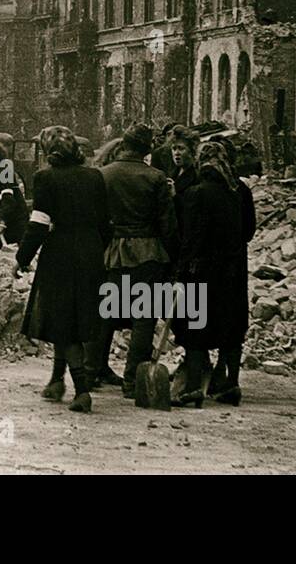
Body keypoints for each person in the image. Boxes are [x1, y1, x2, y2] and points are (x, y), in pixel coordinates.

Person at [14, 126, 111, 412]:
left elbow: (39, 224)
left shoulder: (45, 178)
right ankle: (57, 380)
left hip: (60, 256)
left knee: (62, 321)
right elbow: (106, 223)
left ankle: (82, 390)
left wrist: (21, 258)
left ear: (47, 150)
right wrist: (95, 249)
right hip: (91, 253)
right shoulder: (94, 176)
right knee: (72, 320)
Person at [171, 140, 257, 407]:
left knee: (196, 323)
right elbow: (249, 231)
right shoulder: (240, 190)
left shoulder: (197, 193)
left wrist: (181, 269)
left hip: (202, 268)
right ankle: (231, 384)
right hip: (233, 268)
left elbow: (191, 237)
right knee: (230, 323)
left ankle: (194, 387)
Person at [96, 122, 178, 400]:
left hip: (113, 253)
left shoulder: (102, 175)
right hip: (148, 253)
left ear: (123, 144)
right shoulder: (156, 178)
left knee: (108, 312)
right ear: (147, 149)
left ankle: (94, 370)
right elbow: (167, 224)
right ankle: (133, 381)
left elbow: (97, 220)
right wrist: (173, 259)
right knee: (143, 317)